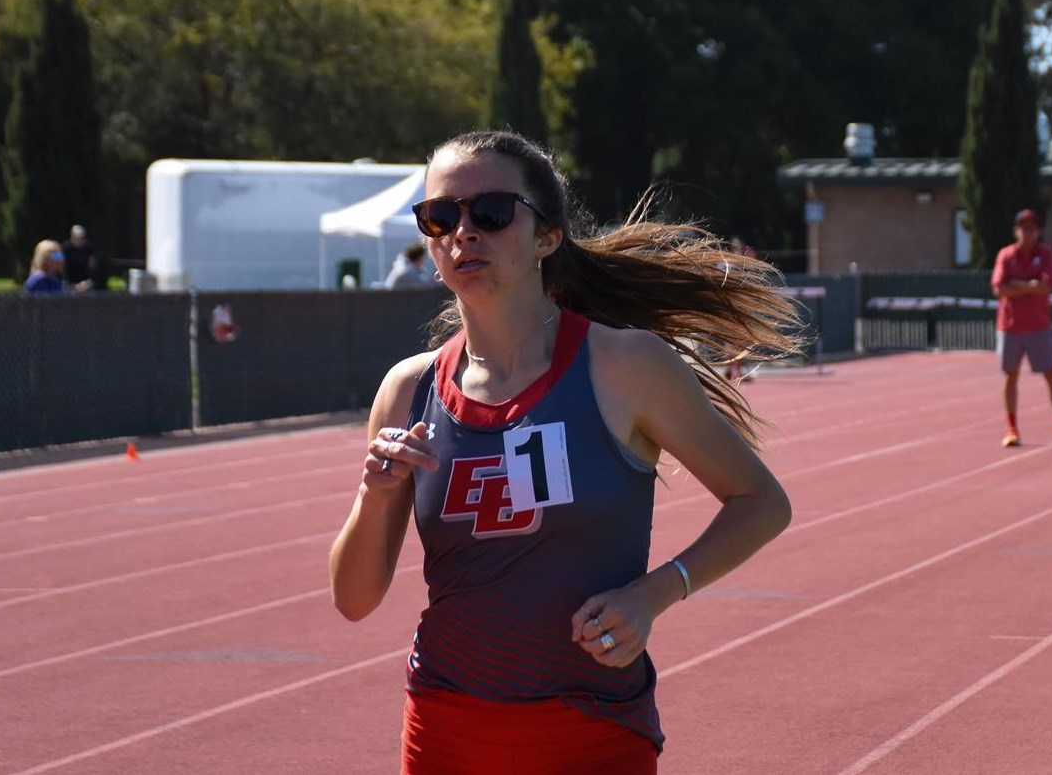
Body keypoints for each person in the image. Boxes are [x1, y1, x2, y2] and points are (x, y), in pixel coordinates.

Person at [329, 130, 804, 773]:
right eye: (440, 217)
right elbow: (354, 600)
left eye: (491, 213)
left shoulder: (624, 363)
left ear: (548, 236)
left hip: (592, 728)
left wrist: (654, 594)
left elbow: (761, 502)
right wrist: (373, 492)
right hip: (445, 727)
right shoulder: (408, 390)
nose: (463, 232)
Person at [990, 208, 1052, 448]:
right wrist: (1030, 285)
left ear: (1039, 231)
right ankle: (1012, 428)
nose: (1027, 233)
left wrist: (1019, 285)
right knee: (1010, 376)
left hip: (1038, 326)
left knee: (1051, 375)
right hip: (1010, 327)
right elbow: (999, 288)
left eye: (1032, 228)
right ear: (1016, 231)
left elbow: (1046, 286)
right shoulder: (1006, 255)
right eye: (1023, 228)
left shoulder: (1045, 255)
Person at [724, 236, 759, 381]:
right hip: (731, 309)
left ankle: (736, 369)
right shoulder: (727, 266)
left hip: (742, 309)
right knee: (732, 341)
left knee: (742, 342)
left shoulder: (745, 267)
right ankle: (733, 370)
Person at [61, 224, 96, 291]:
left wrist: (84, 283)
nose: (79, 241)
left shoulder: (88, 247)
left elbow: (92, 265)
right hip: (69, 282)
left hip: (85, 282)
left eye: (81, 238)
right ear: (72, 236)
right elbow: (60, 264)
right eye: (76, 238)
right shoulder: (65, 247)